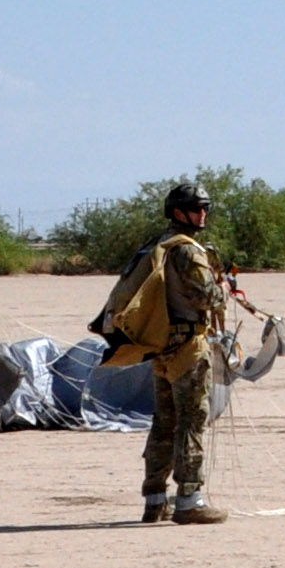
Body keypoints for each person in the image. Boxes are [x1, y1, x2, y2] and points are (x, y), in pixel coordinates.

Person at [97, 183, 231, 525]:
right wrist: (223, 289)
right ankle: (189, 500)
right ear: (178, 212)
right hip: (187, 347)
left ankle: (155, 500)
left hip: (162, 348)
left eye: (205, 207)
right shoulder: (187, 251)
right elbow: (205, 297)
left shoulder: (156, 245)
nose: (202, 214)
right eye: (196, 208)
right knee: (191, 422)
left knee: (164, 423)